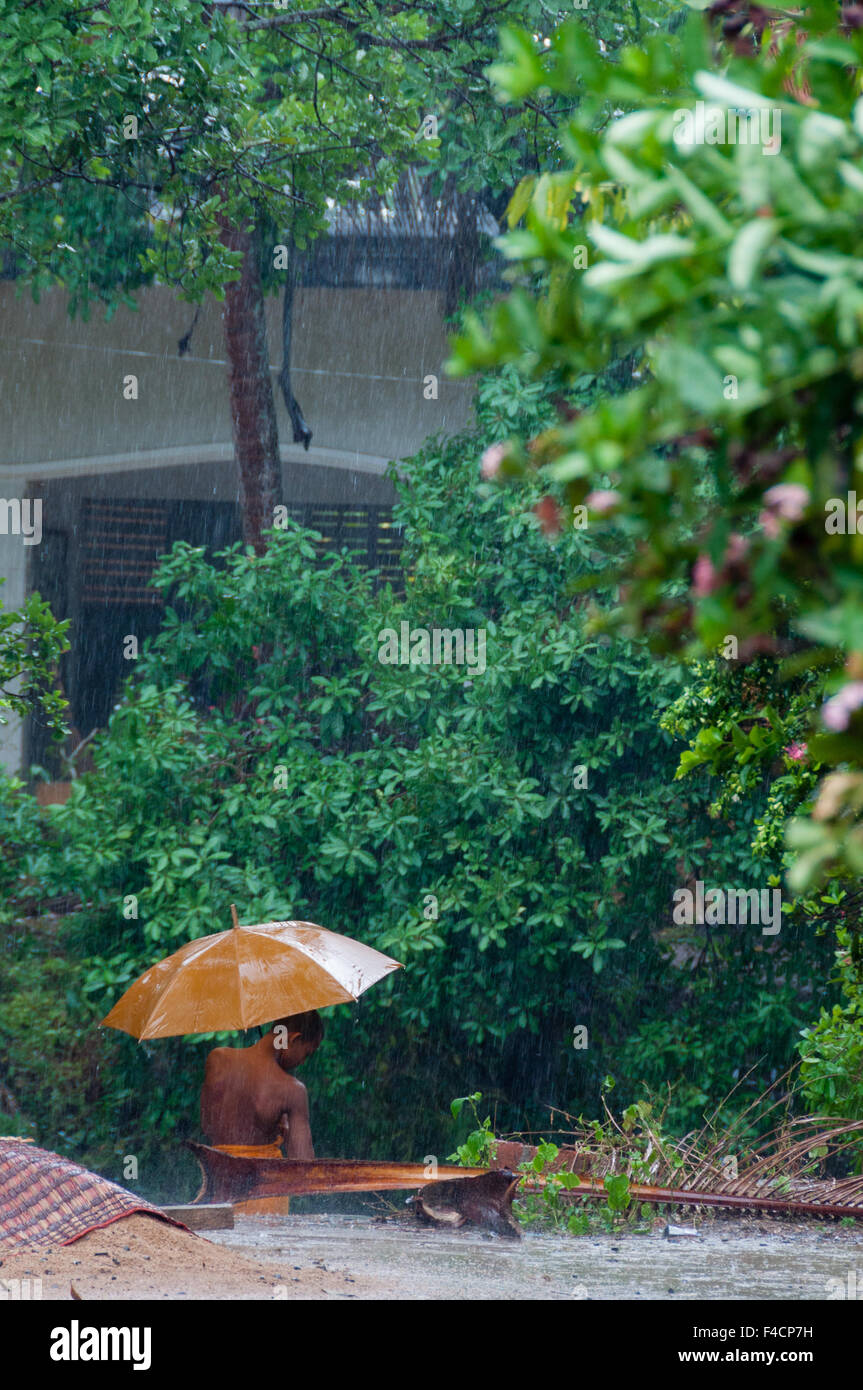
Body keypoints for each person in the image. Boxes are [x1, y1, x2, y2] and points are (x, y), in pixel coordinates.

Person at [200, 1010, 323, 1160]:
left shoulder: (217, 1059)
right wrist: (283, 1130)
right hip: (264, 1180)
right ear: (293, 1039)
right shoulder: (292, 1090)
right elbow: (304, 1164)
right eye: (307, 1054)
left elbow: (207, 1126)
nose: (303, 1062)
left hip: (217, 1174)